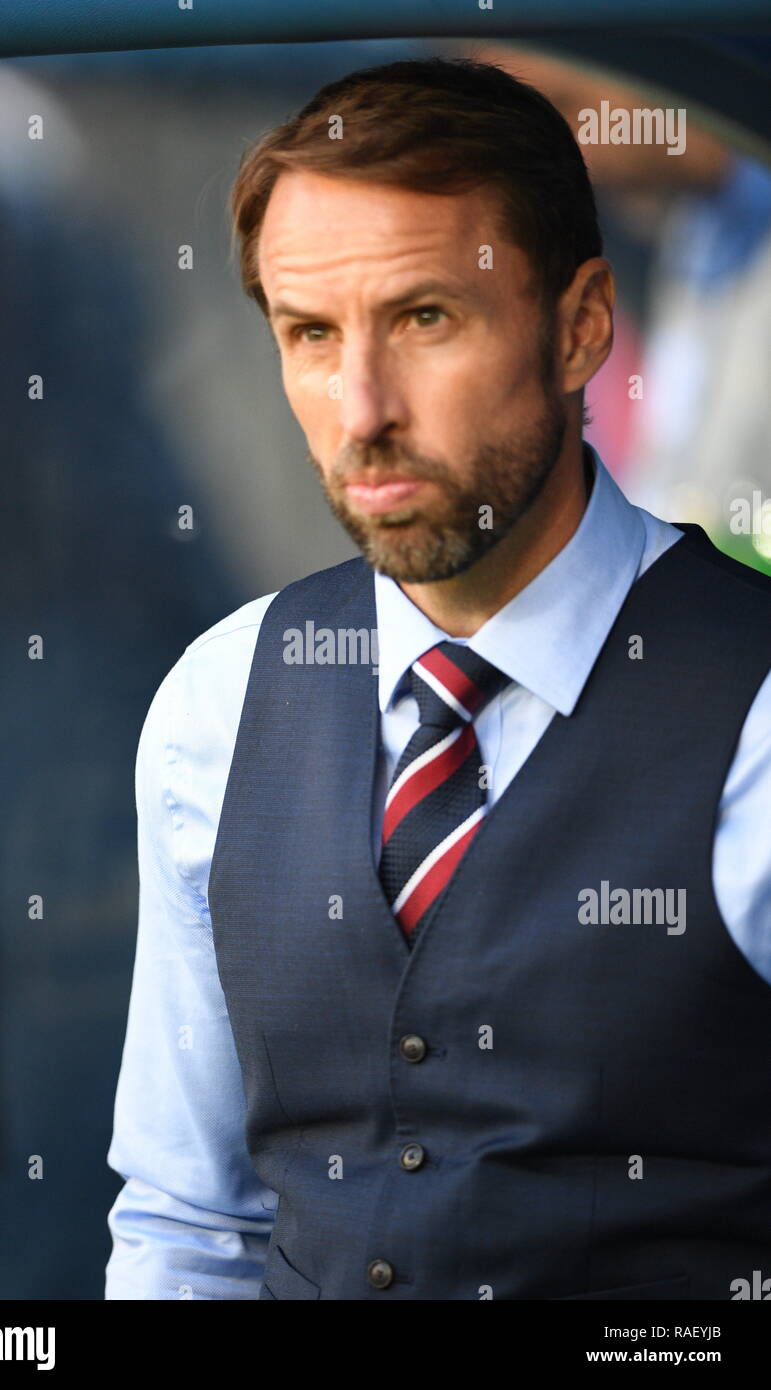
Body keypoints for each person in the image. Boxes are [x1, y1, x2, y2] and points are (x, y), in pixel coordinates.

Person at [104, 58, 771, 1301]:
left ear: (579, 327)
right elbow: (188, 1223)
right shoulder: (217, 703)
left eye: (425, 319)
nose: (362, 410)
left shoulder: (755, 714)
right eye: (310, 335)